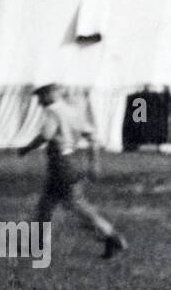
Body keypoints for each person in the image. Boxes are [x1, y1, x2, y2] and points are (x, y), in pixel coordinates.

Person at [17, 83, 127, 260]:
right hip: (70, 161)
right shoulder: (74, 112)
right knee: (46, 206)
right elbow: (92, 137)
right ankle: (37, 246)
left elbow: (46, 135)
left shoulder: (53, 111)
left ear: (51, 95)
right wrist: (94, 163)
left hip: (60, 164)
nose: (39, 102)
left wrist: (27, 148)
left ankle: (111, 236)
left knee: (75, 205)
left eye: (41, 97)